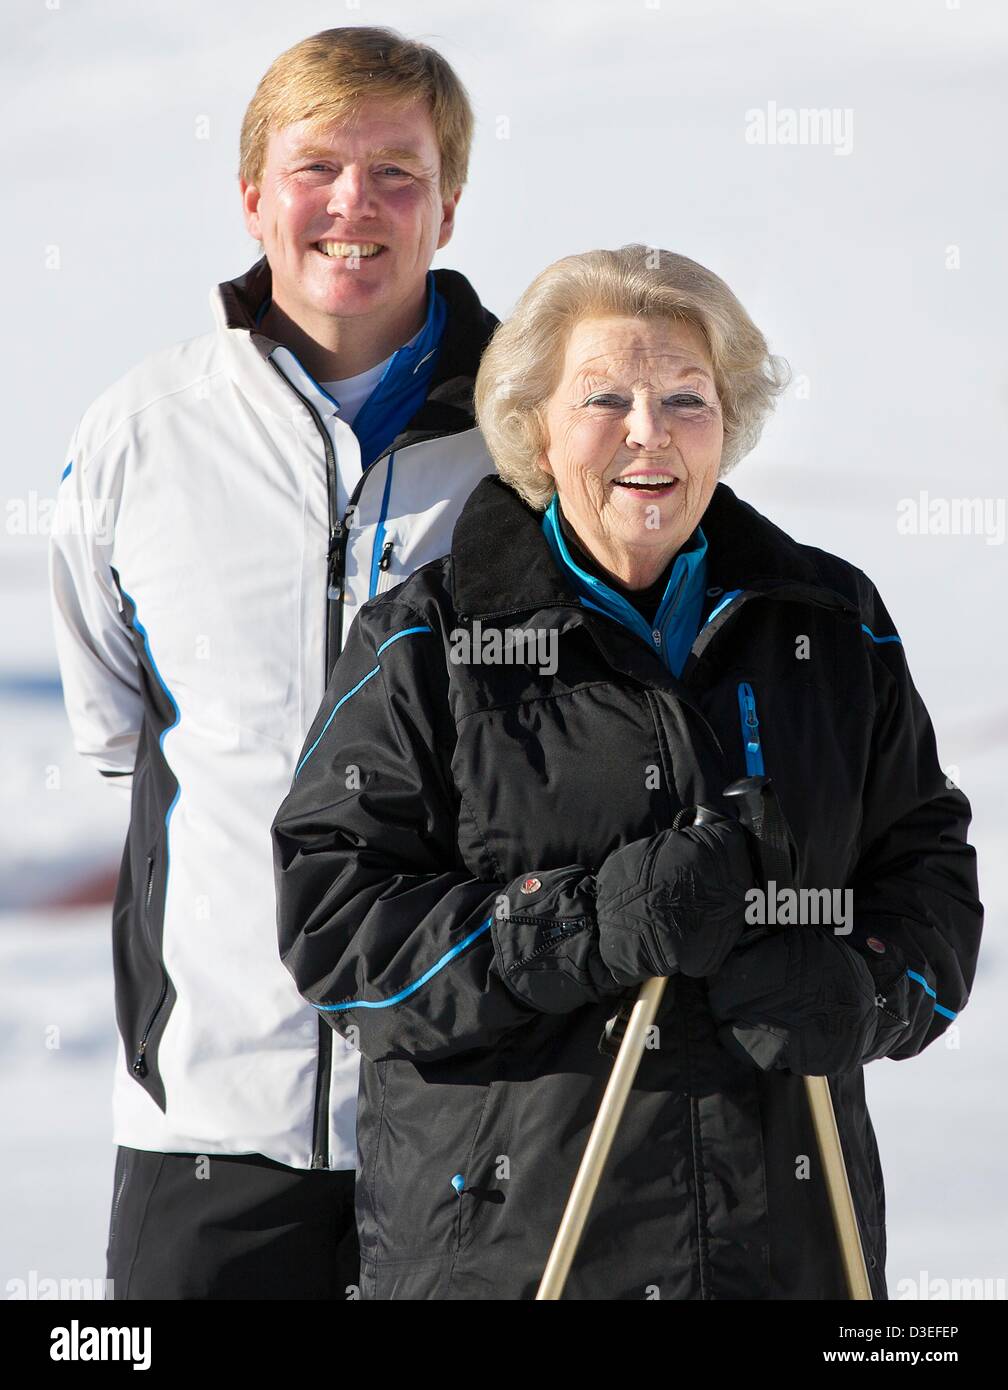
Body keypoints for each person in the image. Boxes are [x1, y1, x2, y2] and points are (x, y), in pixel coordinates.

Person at [272, 245, 984, 1300]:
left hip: (789, 1255)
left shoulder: (828, 624)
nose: (648, 433)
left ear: (727, 422)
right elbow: (336, 923)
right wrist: (575, 927)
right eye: (605, 397)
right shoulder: (429, 637)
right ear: (535, 425)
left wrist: (860, 984)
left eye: (685, 398)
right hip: (515, 1256)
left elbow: (928, 873)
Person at [48, 27, 497, 1299]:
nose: (355, 204)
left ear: (449, 205)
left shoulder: (535, 445)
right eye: (318, 167)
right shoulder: (141, 434)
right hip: (208, 1133)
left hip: (478, 1119)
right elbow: (123, 728)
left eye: (398, 172)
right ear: (253, 194)